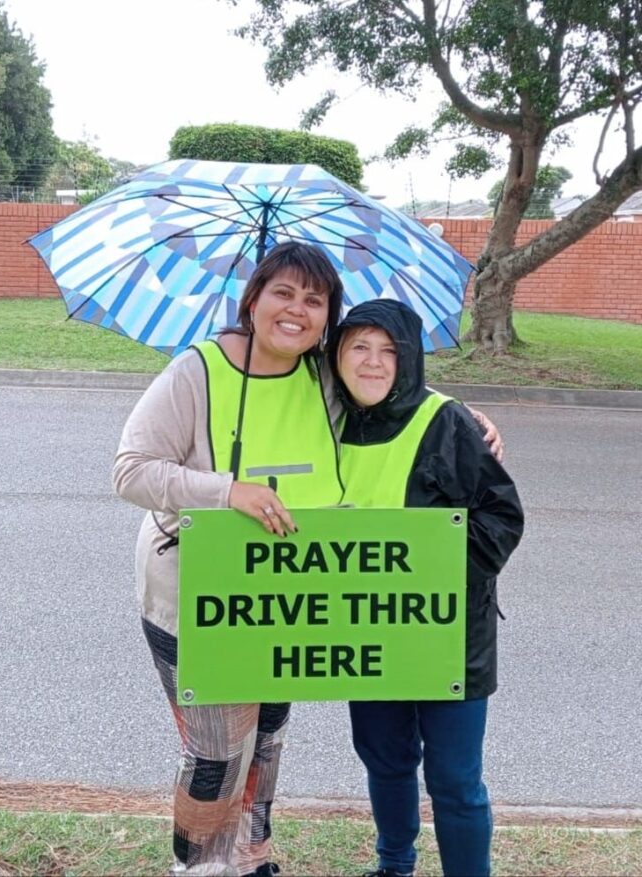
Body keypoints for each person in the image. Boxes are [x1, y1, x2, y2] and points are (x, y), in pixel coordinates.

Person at [113, 241, 505, 876]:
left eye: (314, 300)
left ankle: (252, 857)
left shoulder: (319, 374)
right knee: (218, 754)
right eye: (283, 294)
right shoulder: (197, 372)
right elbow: (129, 472)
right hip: (198, 593)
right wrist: (225, 491)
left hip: (287, 597)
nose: (296, 311)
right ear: (254, 299)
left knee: (266, 740)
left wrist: (462, 419)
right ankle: (204, 866)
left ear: (327, 317)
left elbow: (385, 387)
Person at [326, 299, 525, 877]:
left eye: (390, 350)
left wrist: (423, 577)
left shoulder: (449, 423)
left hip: (449, 634)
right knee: (385, 760)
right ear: (336, 354)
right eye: (359, 346)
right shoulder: (322, 420)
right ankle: (394, 865)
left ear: (410, 358)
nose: (372, 362)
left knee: (454, 778)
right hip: (361, 628)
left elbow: (501, 519)